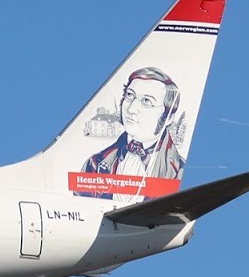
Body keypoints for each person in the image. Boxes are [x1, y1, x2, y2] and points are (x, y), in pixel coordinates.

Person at [75, 67, 185, 200]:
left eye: (146, 101)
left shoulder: (180, 172)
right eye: (129, 95)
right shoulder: (95, 163)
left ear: (169, 118)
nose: (131, 109)